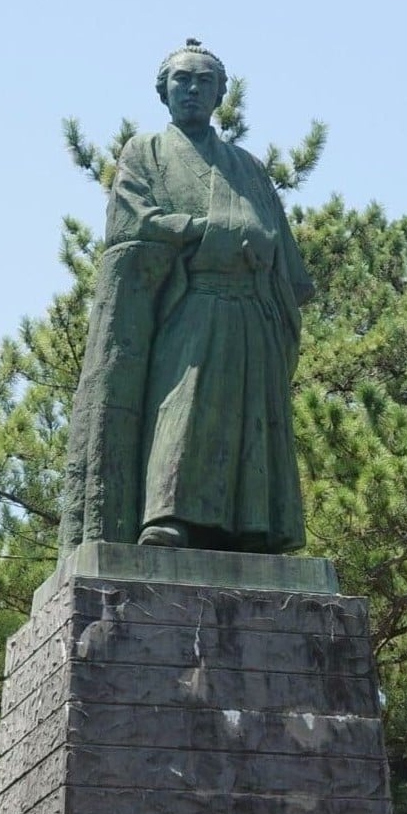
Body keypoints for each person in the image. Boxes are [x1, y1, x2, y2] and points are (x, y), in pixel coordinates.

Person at [59, 39, 313, 555]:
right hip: (188, 303)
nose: (192, 89)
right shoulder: (145, 152)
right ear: (163, 92)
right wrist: (205, 231)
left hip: (252, 313)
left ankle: (252, 525)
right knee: (182, 409)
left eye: (204, 81)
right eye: (182, 80)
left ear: (220, 94)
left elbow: (286, 259)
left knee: (249, 420)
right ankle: (167, 516)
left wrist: (255, 249)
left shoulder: (248, 169)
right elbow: (134, 223)